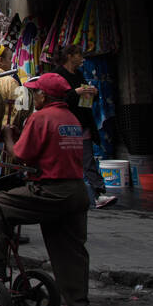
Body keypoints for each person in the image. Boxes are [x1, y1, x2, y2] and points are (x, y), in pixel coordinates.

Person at [0, 73, 91, 306]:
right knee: (70, 253)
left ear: (44, 95)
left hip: (53, 190)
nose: (33, 97)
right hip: (77, 191)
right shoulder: (71, 119)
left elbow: (21, 155)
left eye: (35, 93)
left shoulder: (42, 117)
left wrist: (9, 136)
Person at [53, 44, 115, 209]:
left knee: (88, 160)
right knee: (66, 161)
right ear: (70, 56)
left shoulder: (79, 74)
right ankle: (65, 194)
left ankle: (99, 193)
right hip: (66, 126)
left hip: (82, 122)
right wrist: (77, 92)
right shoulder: (58, 75)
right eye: (79, 55)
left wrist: (91, 93)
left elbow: (84, 103)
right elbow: (59, 100)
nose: (82, 59)